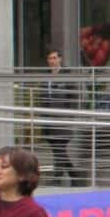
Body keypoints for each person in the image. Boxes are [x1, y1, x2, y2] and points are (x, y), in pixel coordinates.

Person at [39, 48, 84, 187]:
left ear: (60, 59)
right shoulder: (46, 76)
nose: (52, 61)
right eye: (50, 59)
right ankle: (74, 176)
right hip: (48, 121)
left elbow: (74, 96)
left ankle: (57, 178)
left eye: (54, 58)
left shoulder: (67, 75)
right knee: (58, 150)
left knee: (59, 148)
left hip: (62, 120)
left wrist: (69, 115)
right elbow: (43, 97)